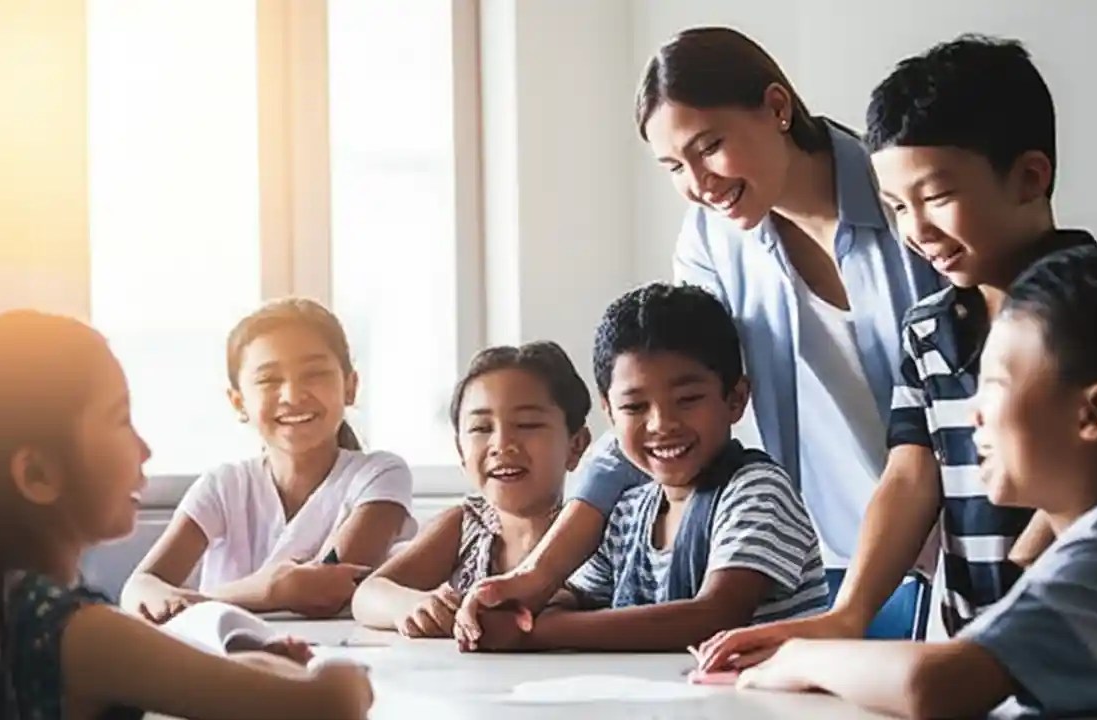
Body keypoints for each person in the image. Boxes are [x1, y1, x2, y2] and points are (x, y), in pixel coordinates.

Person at [457, 25, 938, 646]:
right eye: (673, 166)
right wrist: (537, 575)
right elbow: (662, 394)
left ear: (777, 108)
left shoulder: (906, 198)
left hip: (964, 528)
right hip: (839, 548)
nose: (699, 183)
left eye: (709, 146)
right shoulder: (712, 240)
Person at [699, 34, 1096, 671]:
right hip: (968, 644)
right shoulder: (929, 328)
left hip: (1075, 646)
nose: (917, 230)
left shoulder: (1095, 309)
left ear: (1029, 177)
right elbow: (910, 475)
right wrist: (847, 615)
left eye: (936, 198)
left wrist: (1025, 586)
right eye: (896, 208)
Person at [0, 311, 372, 720]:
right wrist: (342, 676)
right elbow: (330, 703)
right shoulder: (80, 633)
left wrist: (250, 668)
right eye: (121, 420)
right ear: (37, 474)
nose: (145, 449)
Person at [736, 246, 1097, 719]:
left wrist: (799, 658)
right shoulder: (1078, 549)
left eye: (994, 386)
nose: (973, 413)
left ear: (1093, 412)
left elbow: (932, 684)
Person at [459, 285, 826, 652]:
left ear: (735, 399)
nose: (662, 424)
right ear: (609, 412)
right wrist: (516, 612)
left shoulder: (758, 491)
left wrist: (532, 633)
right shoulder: (628, 512)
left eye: (687, 399)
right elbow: (573, 597)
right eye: (635, 407)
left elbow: (716, 616)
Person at [122, 298, 416, 621]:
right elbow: (140, 588)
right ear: (238, 402)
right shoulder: (224, 485)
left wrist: (202, 601)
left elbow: (328, 588)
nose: (292, 395)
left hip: (337, 648)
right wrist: (267, 591)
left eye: (315, 373)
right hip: (228, 651)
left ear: (350, 386)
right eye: (268, 380)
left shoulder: (380, 474)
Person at [351, 342, 591, 637]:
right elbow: (367, 594)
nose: (502, 445)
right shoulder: (465, 526)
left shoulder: (592, 528)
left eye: (527, 424)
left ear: (576, 445)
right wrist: (410, 605)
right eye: (481, 428)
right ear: (460, 451)